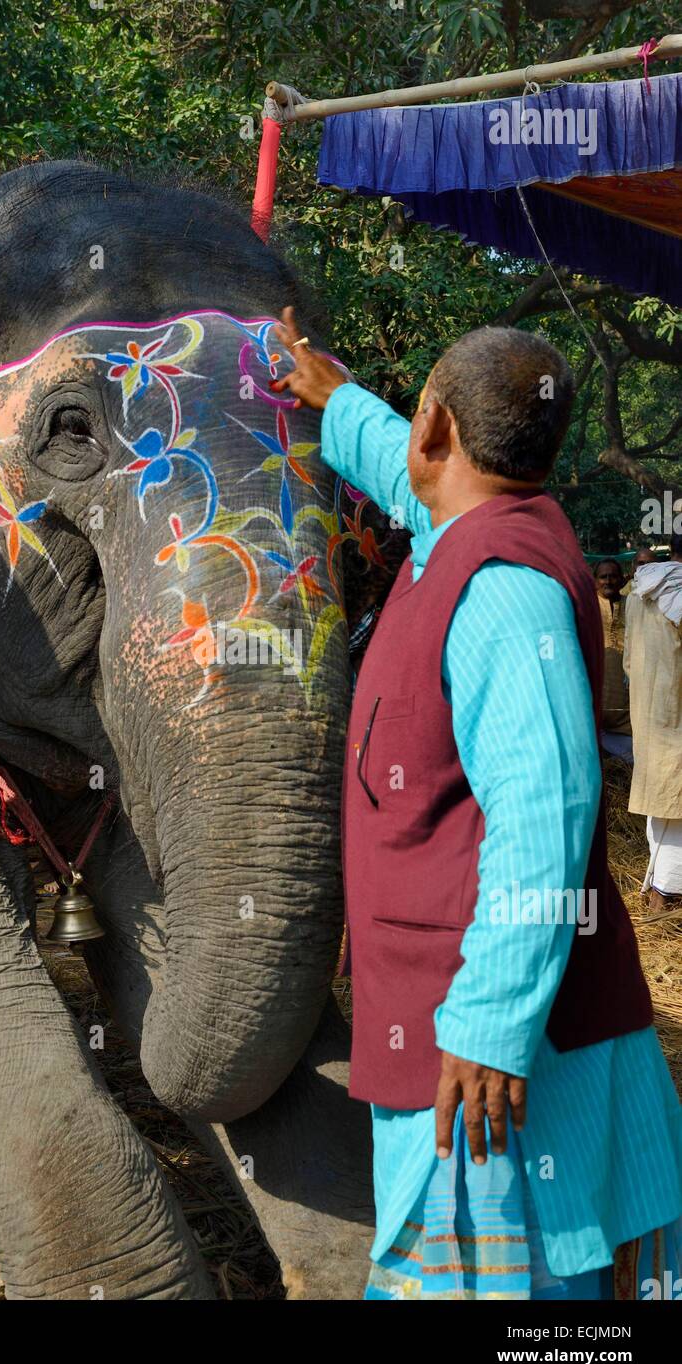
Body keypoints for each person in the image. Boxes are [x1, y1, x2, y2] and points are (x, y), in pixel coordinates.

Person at [271, 308, 682, 1301]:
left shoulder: (502, 588)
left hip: (489, 1056)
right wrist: (335, 396)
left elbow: (547, 811)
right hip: (457, 1024)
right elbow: (404, 473)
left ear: (436, 426)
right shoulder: (467, 525)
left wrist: (492, 1026)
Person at [624, 531, 682, 914]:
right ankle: (666, 895)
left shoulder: (637, 591)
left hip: (648, 712)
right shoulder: (677, 591)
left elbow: (629, 658)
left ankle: (660, 890)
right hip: (674, 712)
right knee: (675, 804)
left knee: (662, 800)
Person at [592, 558, 633, 763]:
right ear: (594, 581)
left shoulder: (633, 604)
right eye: (603, 577)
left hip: (627, 684)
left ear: (622, 580)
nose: (608, 581)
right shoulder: (588, 606)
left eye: (613, 576)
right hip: (599, 680)